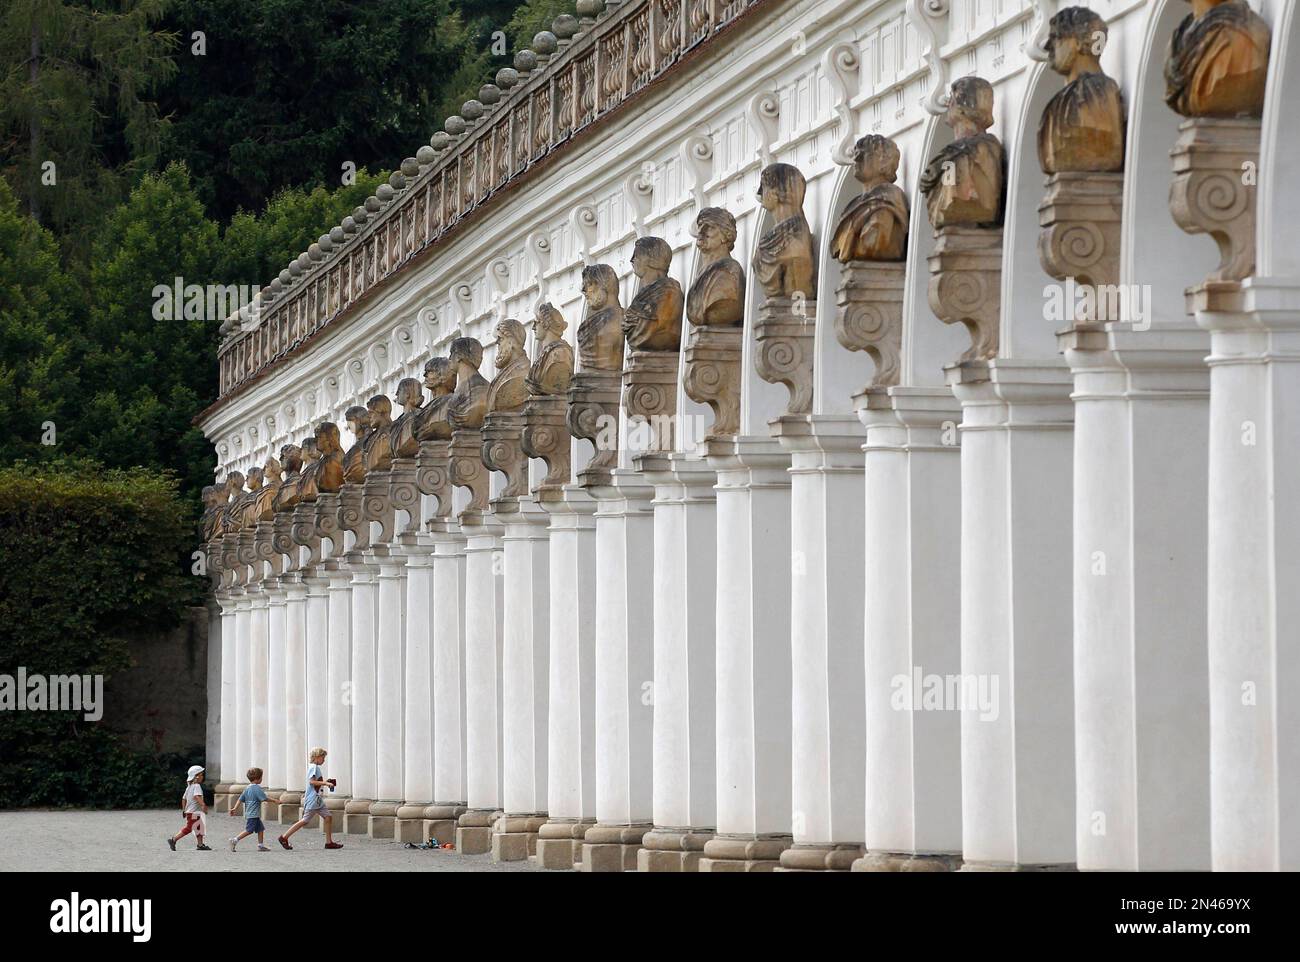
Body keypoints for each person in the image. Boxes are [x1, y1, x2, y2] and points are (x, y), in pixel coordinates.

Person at [277, 747, 342, 850]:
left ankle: (329, 842)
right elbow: (311, 782)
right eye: (322, 757)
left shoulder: (314, 767)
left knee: (328, 817)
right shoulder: (314, 767)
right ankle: (284, 837)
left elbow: (315, 781)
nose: (324, 760)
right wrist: (325, 783)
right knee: (305, 820)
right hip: (313, 799)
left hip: (317, 799)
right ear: (316, 757)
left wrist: (325, 782)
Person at [168, 765, 211, 851]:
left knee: (199, 828)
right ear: (196, 776)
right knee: (189, 828)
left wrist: (184, 809)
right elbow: (197, 797)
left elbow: (184, 798)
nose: (202, 776)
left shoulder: (189, 787)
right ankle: (174, 839)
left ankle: (200, 844)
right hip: (194, 812)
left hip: (192, 812)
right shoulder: (196, 786)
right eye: (201, 775)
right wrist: (203, 805)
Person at [228, 767, 271, 851]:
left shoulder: (247, 788)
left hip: (250, 813)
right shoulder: (257, 788)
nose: (262, 779)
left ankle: (261, 845)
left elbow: (240, 799)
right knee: (249, 830)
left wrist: (234, 808)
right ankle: (235, 840)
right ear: (257, 779)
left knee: (260, 829)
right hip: (253, 814)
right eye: (261, 777)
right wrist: (275, 800)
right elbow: (264, 798)